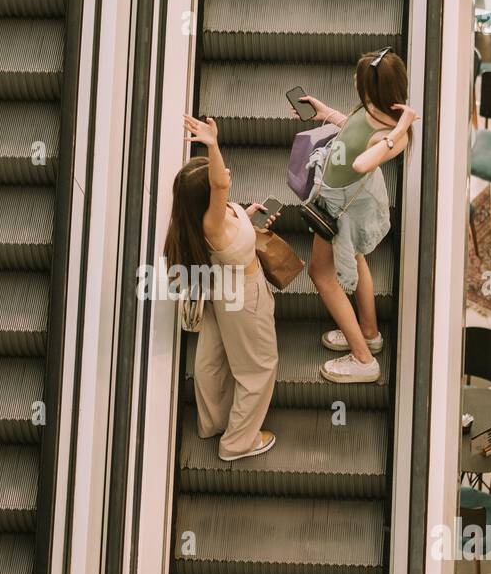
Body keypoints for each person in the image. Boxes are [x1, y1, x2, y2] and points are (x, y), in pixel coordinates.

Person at [164, 115, 279, 461]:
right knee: (258, 368)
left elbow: (220, 203)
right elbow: (219, 185)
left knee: (212, 360)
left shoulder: (205, 220)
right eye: (217, 174)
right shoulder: (212, 218)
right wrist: (212, 144)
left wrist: (244, 216)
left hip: (221, 290)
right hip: (244, 296)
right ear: (208, 196)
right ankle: (237, 443)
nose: (225, 174)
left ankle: (212, 422)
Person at [305, 48, 419, 384]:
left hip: (343, 206)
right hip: (342, 198)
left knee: (321, 275)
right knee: (356, 258)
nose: (354, 79)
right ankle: (368, 333)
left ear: (372, 88)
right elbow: (353, 134)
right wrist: (328, 114)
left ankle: (363, 359)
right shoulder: (370, 109)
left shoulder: (393, 132)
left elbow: (362, 162)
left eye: (360, 78)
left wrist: (402, 127)